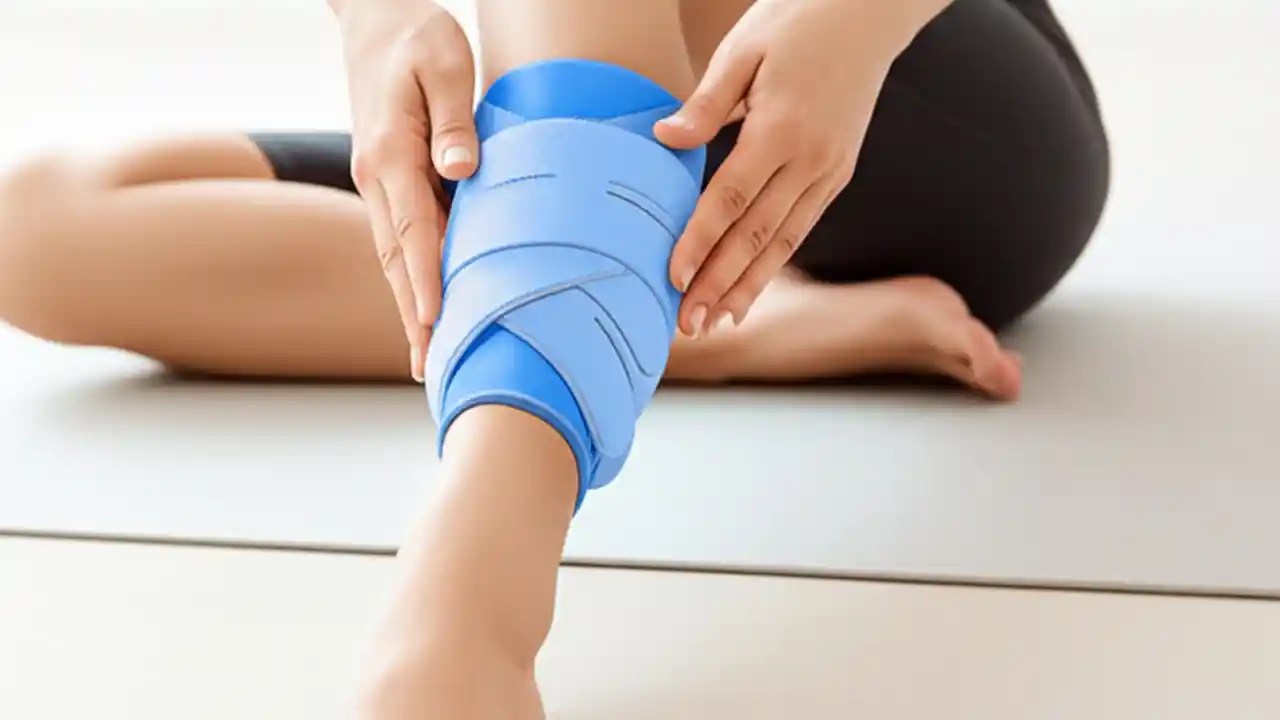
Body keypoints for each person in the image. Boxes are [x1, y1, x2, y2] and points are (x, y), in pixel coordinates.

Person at [0, 0, 1109, 717]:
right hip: (597, 112)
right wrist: (374, 21)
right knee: (37, 231)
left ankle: (468, 617)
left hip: (911, 92)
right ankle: (678, 320)